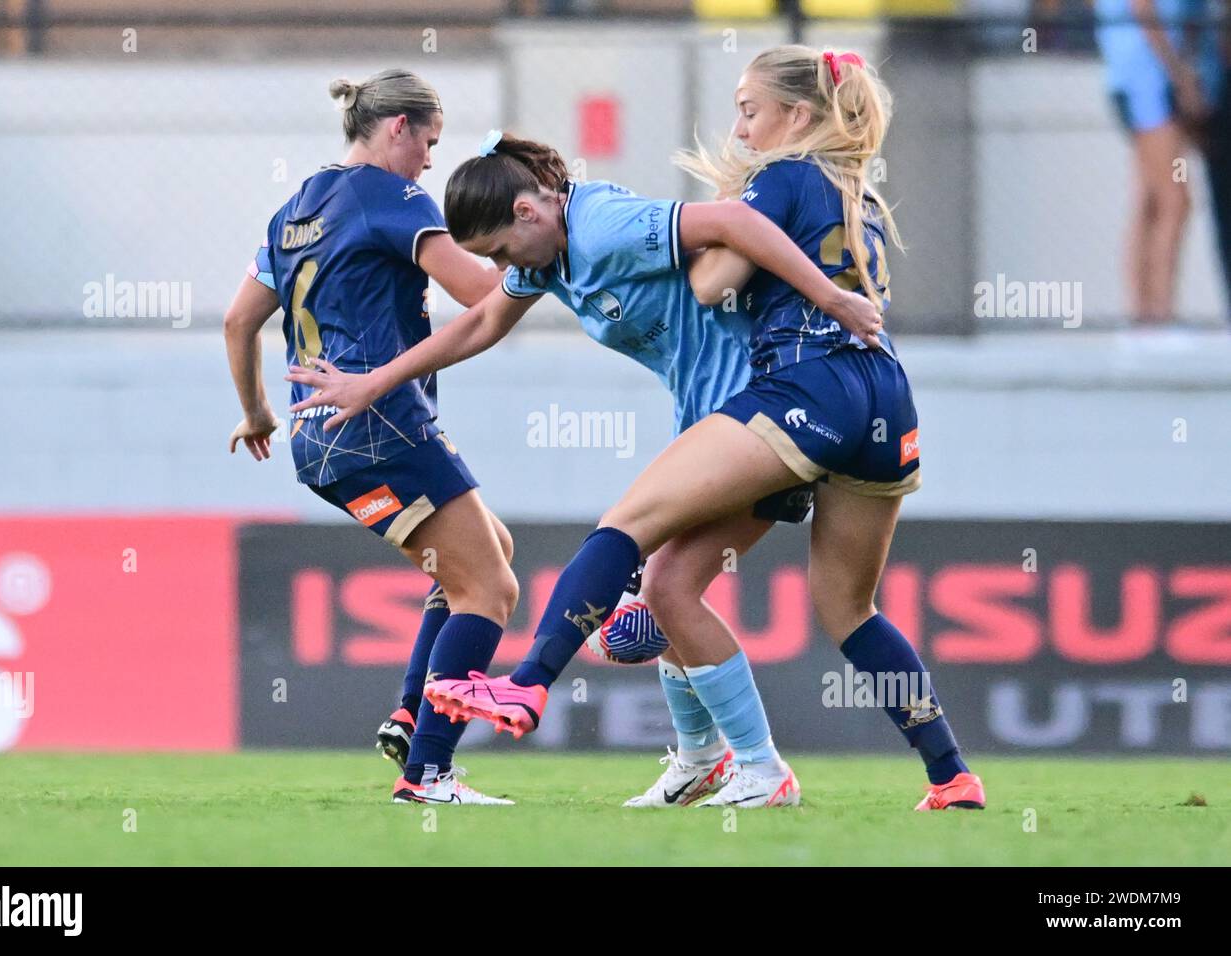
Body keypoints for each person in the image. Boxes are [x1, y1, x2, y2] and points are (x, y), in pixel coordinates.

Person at [420, 46, 984, 811]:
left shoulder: (778, 178)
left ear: (797, 116)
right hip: (884, 396)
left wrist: (721, 224)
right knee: (827, 605)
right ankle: (950, 774)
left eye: (750, 110)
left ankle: (528, 684)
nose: (740, 127)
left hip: (804, 384)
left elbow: (712, 281)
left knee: (628, 526)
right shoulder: (862, 193)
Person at [284, 123, 884, 808]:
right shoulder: (546, 257)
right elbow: (480, 323)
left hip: (758, 412)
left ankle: (537, 685)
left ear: (529, 211)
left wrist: (832, 298)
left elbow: (733, 221)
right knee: (665, 591)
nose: (503, 267)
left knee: (624, 542)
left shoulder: (601, 224)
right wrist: (375, 382)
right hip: (712, 419)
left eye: (501, 250)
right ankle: (715, 762)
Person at [223, 69, 515, 805]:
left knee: (486, 557)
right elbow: (484, 294)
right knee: (490, 589)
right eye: (429, 143)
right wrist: (537, 250)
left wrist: (257, 412)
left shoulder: (296, 208)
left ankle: (413, 715)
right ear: (398, 127)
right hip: (381, 424)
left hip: (317, 441)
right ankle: (429, 774)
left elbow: (237, 320)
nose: (430, 162)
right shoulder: (391, 196)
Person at [1096, 0, 1225, 323]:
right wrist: (1180, 77)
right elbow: (1143, 10)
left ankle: (1143, 315)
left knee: (1149, 198)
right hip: (1147, 86)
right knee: (1175, 200)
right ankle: (1159, 315)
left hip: (1146, 81)